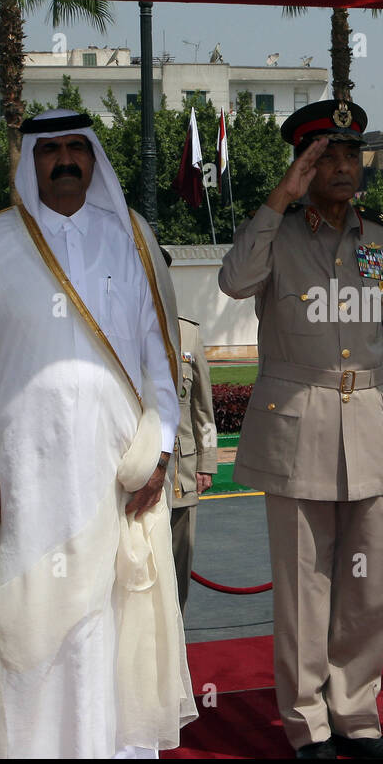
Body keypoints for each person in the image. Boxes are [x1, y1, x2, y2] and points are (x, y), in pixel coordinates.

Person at [0, 108, 196, 758]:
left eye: (76, 147)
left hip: (111, 477)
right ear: (29, 159)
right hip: (24, 479)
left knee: (102, 622)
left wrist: (161, 448)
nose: (63, 160)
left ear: (94, 156)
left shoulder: (128, 238)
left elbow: (157, 356)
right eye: (48, 149)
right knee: (24, 620)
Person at [219, 99, 383, 760]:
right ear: (302, 164)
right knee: (304, 586)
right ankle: (308, 724)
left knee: (366, 582)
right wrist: (282, 197)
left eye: (350, 154)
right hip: (298, 425)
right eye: (323, 155)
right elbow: (234, 279)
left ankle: (357, 715)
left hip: (368, 425)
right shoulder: (276, 235)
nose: (341, 167)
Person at [161, 249, 218, 613]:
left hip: (181, 472)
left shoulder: (188, 334)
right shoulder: (116, 332)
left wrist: (206, 462)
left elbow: (202, 406)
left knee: (180, 562)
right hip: (131, 473)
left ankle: (176, 635)